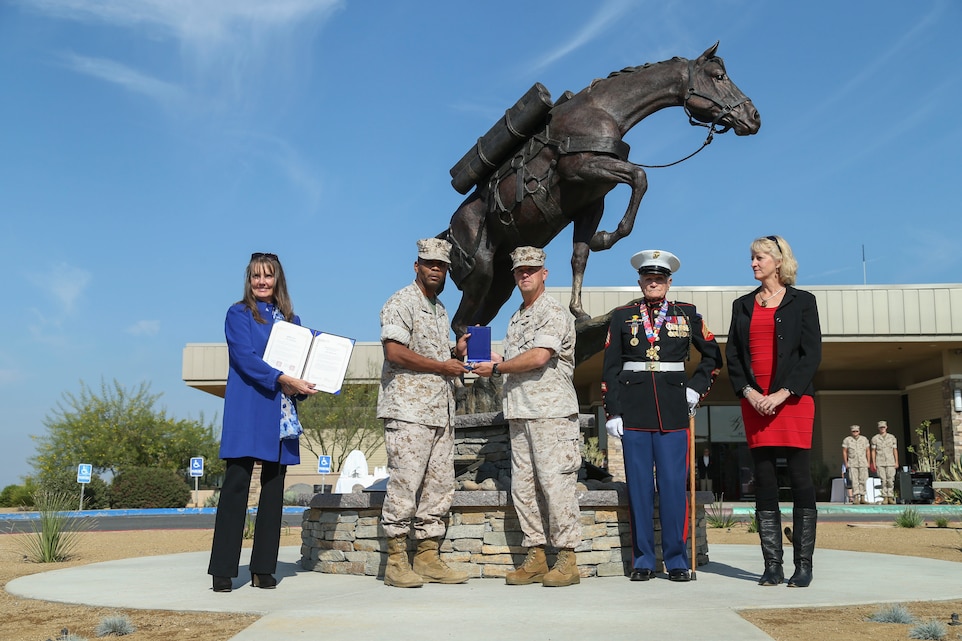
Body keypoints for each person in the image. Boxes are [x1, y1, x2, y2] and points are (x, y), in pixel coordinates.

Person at [602, 249, 722, 583]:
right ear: (639, 281)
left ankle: (676, 559)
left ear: (669, 282)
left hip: (673, 409)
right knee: (639, 488)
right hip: (634, 410)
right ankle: (642, 559)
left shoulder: (688, 313)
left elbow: (712, 356)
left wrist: (696, 389)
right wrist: (613, 410)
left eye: (659, 279)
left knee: (672, 487)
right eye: (648, 278)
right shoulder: (622, 316)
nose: (653, 284)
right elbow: (610, 367)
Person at [208, 252, 319, 593]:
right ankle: (223, 570)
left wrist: (304, 383)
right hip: (248, 409)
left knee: (273, 492)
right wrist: (285, 378)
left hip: (280, 415)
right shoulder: (238, 314)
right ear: (249, 279)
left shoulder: (292, 320)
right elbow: (245, 358)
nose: (261, 282)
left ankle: (263, 568)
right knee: (236, 487)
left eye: (268, 276)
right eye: (256, 276)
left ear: (277, 280)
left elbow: (301, 364)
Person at [473, 246, 583, 588]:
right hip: (521, 413)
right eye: (520, 270)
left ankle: (566, 559)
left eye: (531, 269)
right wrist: (481, 355)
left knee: (556, 485)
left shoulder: (552, 311)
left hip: (551, 414)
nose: (525, 274)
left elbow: (537, 357)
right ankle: (535, 555)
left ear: (544, 274)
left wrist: (496, 367)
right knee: (524, 489)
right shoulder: (517, 315)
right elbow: (514, 358)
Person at [726, 235, 822, 588]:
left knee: (800, 479)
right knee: (764, 481)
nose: (753, 263)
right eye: (751, 257)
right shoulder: (742, 305)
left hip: (794, 402)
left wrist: (781, 394)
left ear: (779, 261)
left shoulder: (803, 302)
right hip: (755, 403)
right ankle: (772, 566)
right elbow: (733, 356)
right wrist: (750, 394)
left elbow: (811, 355)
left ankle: (804, 566)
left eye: (760, 257)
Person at [377, 238, 471, 588]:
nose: (435, 269)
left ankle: (428, 556)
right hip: (409, 410)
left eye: (441, 265)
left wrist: (455, 350)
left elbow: (432, 353)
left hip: (440, 410)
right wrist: (442, 366)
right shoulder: (401, 301)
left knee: (438, 486)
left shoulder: (440, 308)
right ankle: (397, 560)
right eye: (429, 263)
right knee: (405, 483)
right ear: (416, 265)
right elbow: (395, 352)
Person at [871, 420, 899, 504]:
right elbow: (873, 451)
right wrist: (874, 463)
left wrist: (896, 461)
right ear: (878, 428)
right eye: (881, 427)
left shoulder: (892, 437)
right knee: (883, 480)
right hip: (880, 462)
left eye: (883, 427)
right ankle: (885, 497)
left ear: (886, 427)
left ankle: (890, 496)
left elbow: (895, 450)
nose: (882, 429)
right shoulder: (875, 438)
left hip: (890, 462)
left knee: (890, 480)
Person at [843, 425, 871, 504]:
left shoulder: (864, 439)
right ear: (851, 432)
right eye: (853, 431)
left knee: (863, 480)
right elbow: (845, 451)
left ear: (859, 431)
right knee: (854, 480)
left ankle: (862, 497)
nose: (855, 433)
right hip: (852, 463)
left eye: (856, 431)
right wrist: (846, 463)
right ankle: (856, 497)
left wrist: (868, 462)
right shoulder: (847, 440)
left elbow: (868, 451)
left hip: (863, 462)